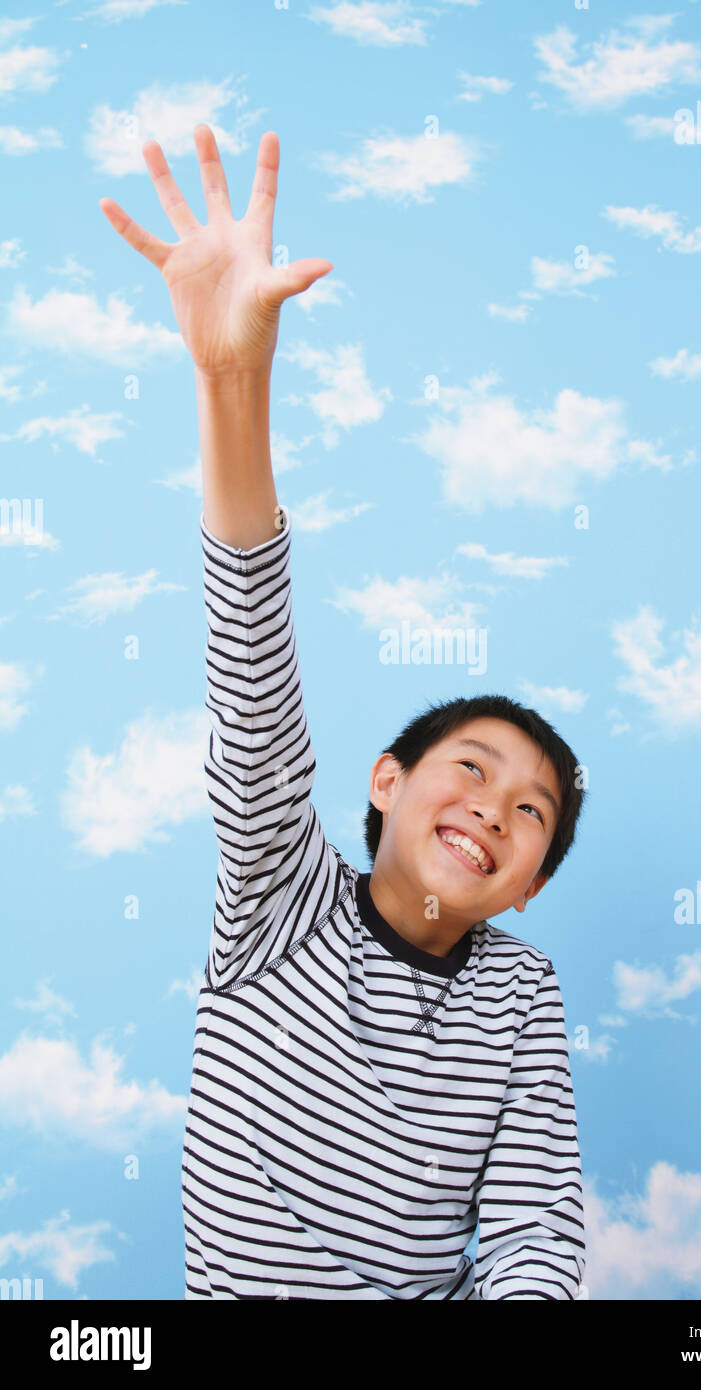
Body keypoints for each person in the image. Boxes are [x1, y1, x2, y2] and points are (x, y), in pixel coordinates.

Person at [99, 124, 588, 1300]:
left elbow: (534, 1236)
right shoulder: (278, 896)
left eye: (530, 813)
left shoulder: (518, 997)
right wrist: (231, 378)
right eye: (468, 768)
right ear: (385, 782)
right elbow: (251, 666)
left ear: (525, 884)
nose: (492, 807)